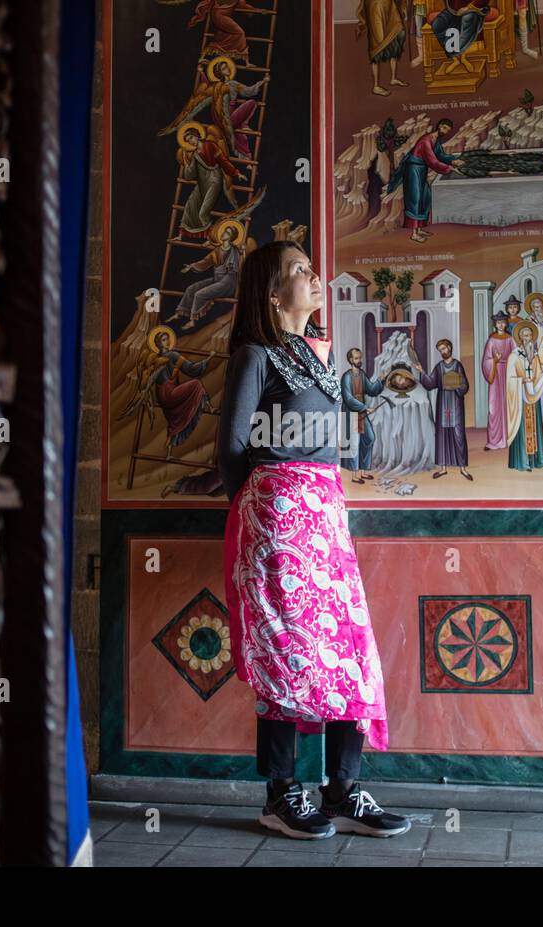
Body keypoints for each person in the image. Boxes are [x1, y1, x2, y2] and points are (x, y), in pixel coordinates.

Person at [218, 240, 411, 841]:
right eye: (300, 270)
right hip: (278, 519)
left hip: (327, 519)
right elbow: (230, 448)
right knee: (288, 653)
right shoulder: (255, 355)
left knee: (351, 651)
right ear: (274, 294)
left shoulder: (312, 355)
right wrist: (265, 511)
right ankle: (281, 794)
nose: (315, 274)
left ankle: (342, 790)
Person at [388, 117, 465, 243]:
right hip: (413, 170)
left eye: (448, 130)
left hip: (421, 169)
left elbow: (440, 155)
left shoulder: (436, 140)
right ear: (439, 125)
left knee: (424, 196)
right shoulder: (426, 140)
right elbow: (432, 161)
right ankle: (414, 233)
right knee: (415, 198)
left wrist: (452, 160)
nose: (445, 131)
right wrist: (449, 168)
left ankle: (420, 228)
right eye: (444, 128)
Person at [414, 338, 472, 480]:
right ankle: (443, 468)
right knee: (442, 435)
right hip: (443, 404)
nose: (442, 352)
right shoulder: (439, 366)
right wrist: (422, 372)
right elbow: (430, 383)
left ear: (450, 348)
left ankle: (462, 468)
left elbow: (465, 385)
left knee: (458, 434)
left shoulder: (457, 365)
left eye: (444, 349)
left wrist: (456, 386)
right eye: (440, 350)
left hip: (455, 403)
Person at [505, 320, 543, 471]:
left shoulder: (534, 357)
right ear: (520, 338)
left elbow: (539, 374)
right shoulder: (514, 356)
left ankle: (538, 460)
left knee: (536, 428)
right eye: (525, 335)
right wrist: (522, 381)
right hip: (521, 398)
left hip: (533, 398)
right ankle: (523, 462)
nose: (528, 338)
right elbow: (509, 380)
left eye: (530, 335)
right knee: (523, 429)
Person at [340, 347, 389, 482]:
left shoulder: (361, 374)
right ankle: (355, 475)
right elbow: (348, 398)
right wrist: (365, 408)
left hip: (362, 413)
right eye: (356, 358)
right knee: (354, 443)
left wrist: (381, 380)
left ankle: (363, 471)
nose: (359, 360)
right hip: (352, 413)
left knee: (369, 438)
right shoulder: (346, 377)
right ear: (351, 360)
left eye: (360, 358)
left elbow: (372, 390)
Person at [356, 0, 408, 96]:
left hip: (390, 8)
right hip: (376, 7)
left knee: (397, 37)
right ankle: (376, 86)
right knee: (377, 47)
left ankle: (393, 78)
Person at [482, 312, 516, 450]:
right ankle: (494, 440)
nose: (501, 325)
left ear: (506, 323)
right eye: (498, 323)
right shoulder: (491, 340)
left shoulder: (510, 339)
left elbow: (516, 355)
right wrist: (494, 360)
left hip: (509, 373)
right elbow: (486, 360)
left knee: (509, 404)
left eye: (503, 322)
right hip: (495, 373)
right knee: (494, 407)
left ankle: (509, 437)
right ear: (495, 324)